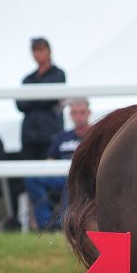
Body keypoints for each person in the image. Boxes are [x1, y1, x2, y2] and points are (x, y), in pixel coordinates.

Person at [18, 37, 67, 230]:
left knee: (54, 177)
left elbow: (48, 97)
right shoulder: (28, 78)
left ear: (49, 51)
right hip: (30, 136)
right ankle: (42, 221)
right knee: (31, 178)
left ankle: (58, 220)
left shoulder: (58, 74)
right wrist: (39, 100)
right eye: (35, 50)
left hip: (50, 135)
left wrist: (32, 100)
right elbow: (20, 103)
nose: (38, 54)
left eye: (41, 50)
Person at [46, 98, 93, 230]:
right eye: (74, 113)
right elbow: (50, 158)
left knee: (72, 181)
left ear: (89, 113)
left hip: (84, 177)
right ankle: (44, 223)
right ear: (70, 115)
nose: (78, 117)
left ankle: (63, 223)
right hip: (59, 176)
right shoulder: (62, 136)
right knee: (33, 179)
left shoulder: (95, 133)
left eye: (82, 112)